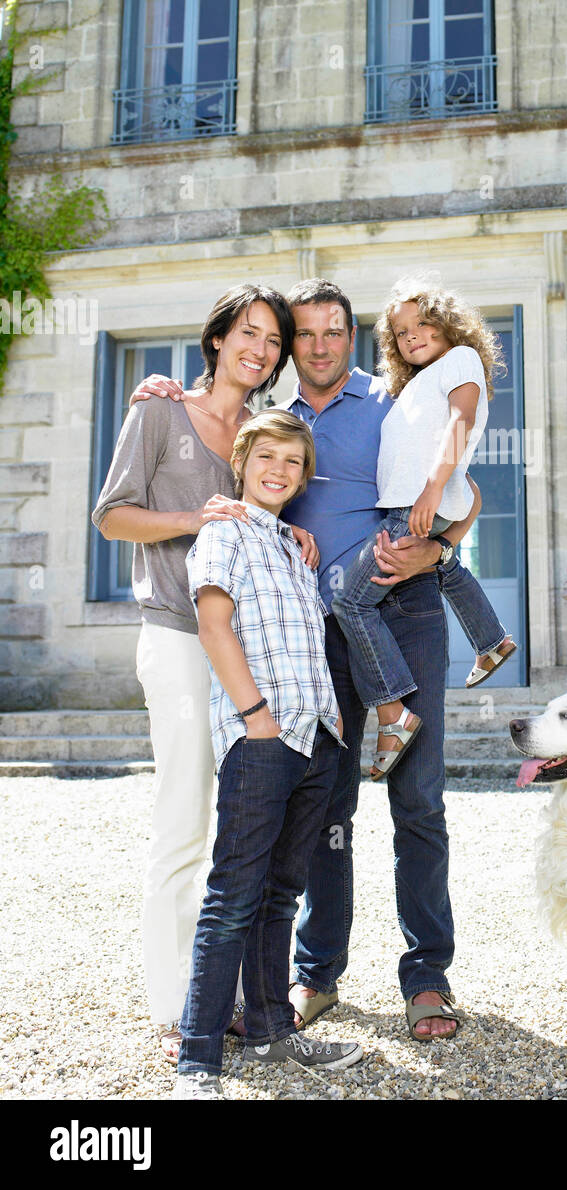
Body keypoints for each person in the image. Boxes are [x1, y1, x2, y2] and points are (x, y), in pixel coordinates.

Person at [129, 279, 477, 1040]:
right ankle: (315, 975)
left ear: (354, 338)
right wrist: (165, 390)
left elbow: (463, 488)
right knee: (323, 810)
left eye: (333, 332)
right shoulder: (267, 418)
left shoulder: (395, 401)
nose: (317, 346)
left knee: (417, 802)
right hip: (313, 629)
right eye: (304, 334)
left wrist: (441, 548)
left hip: (403, 615)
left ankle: (425, 979)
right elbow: (208, 433)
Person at [92, 285, 318, 1062]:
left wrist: (294, 539)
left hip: (250, 652)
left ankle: (235, 998)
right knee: (183, 819)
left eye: (273, 341)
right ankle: (176, 1007)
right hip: (180, 639)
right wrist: (198, 516)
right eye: (247, 332)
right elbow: (112, 514)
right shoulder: (157, 410)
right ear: (217, 338)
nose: (260, 348)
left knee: (243, 832)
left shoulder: (257, 430)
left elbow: (264, 505)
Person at [175, 410, 361, 1100]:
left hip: (316, 740)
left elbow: (305, 642)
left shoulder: (291, 545)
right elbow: (213, 623)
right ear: (243, 463)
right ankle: (197, 1060)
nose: (279, 471)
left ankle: (271, 1032)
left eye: (292, 462)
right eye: (267, 459)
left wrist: (334, 721)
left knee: (282, 892)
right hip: (262, 739)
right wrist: (254, 716)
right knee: (234, 894)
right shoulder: (223, 532)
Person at [330, 279, 516, 781]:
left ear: (449, 323)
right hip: (411, 501)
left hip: (414, 503)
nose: (412, 335)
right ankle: (492, 640)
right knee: (439, 565)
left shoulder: (458, 360)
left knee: (350, 601)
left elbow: (462, 419)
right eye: (401, 331)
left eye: (423, 323)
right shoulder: (417, 382)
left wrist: (434, 489)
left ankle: (394, 712)